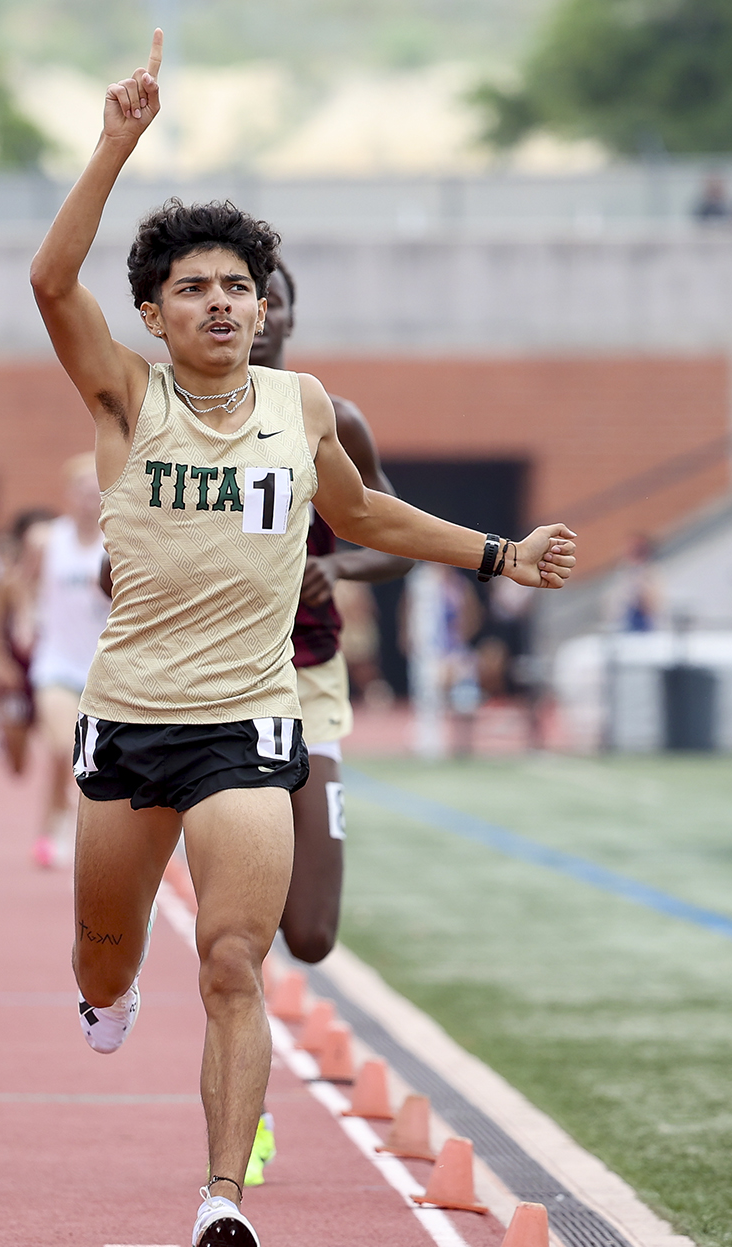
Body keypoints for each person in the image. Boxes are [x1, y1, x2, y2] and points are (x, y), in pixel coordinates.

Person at [29, 32, 576, 1247]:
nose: (225, 303)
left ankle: (221, 1200)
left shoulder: (302, 406)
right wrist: (114, 144)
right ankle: (103, 1000)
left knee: (232, 958)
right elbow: (53, 282)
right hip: (127, 723)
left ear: (263, 306)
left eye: (242, 286)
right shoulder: (122, 396)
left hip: (247, 726)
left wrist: (498, 556)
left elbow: (368, 518)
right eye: (197, 287)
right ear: (157, 311)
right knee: (104, 958)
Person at [240, 265, 414, 1188]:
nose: (257, 318)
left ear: (293, 315)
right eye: (240, 297)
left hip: (310, 682)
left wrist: (339, 574)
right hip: (217, 689)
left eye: (273, 301)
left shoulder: (331, 419)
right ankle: (245, 1105)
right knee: (241, 929)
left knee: (308, 932)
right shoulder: (183, 419)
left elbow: (389, 539)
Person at [26, 455, 109, 869]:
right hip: (55, 664)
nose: (88, 499)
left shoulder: (116, 539)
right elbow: (20, 586)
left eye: (96, 491)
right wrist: (25, 622)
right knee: (63, 746)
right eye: (81, 490)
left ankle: (68, 826)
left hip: (102, 668)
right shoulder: (45, 540)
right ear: (68, 495)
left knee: (94, 761)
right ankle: (52, 828)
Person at [0, 509, 51, 779]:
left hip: (53, 668)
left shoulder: (64, 579)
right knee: (18, 766)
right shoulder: (9, 583)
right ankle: (2, 732)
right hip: (19, 670)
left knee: (62, 743)